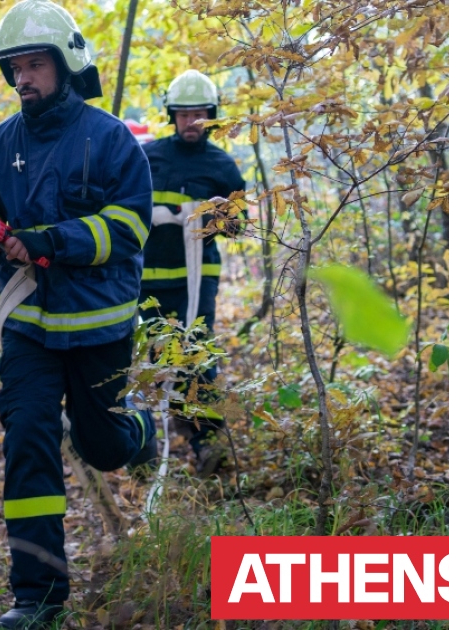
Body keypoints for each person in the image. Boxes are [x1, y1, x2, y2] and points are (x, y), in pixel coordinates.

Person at [0, 1, 154, 626]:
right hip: (28, 331)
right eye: (15, 68)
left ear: (67, 67)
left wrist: (50, 241)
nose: (23, 79)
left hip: (100, 326)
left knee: (102, 447)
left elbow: (129, 226)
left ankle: (136, 434)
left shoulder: (111, 139)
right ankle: (37, 596)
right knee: (29, 445)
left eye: (35, 65)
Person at [138, 70, 246, 475]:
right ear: (172, 116)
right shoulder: (147, 157)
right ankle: (145, 448)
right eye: (184, 115)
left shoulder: (222, 165)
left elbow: (239, 225)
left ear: (211, 116)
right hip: (148, 280)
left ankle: (208, 445)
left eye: (199, 114)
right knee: (152, 358)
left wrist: (220, 214)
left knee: (197, 355)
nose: (191, 122)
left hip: (197, 280)